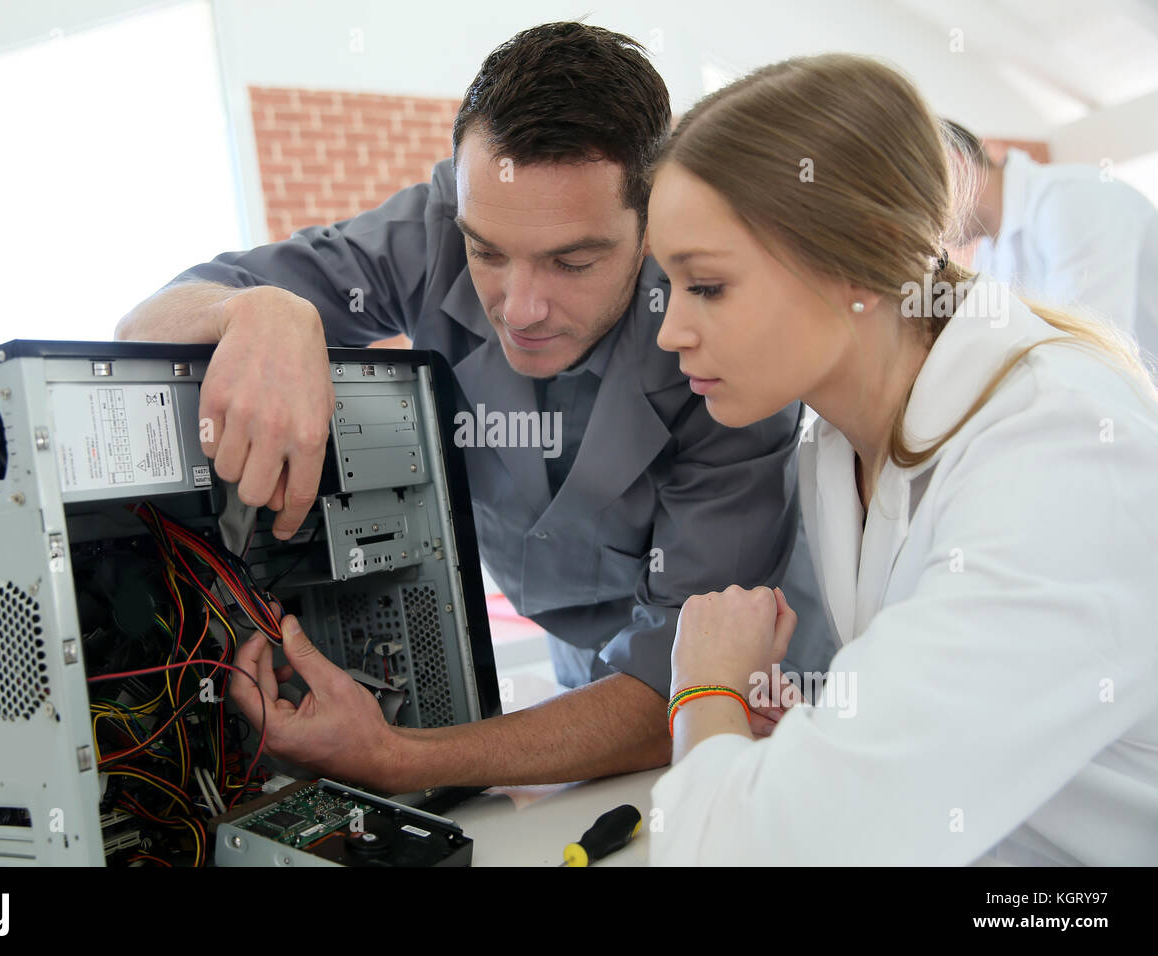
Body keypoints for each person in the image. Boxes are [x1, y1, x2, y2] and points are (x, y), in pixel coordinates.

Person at [115, 22, 833, 793]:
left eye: (574, 261)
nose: (519, 307)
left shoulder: (726, 351)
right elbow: (145, 323)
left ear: (656, 226)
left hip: (754, 704)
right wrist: (259, 311)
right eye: (487, 251)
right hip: (582, 685)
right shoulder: (429, 235)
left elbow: (675, 681)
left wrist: (395, 758)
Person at [647, 54, 1158, 865]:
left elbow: (744, 854)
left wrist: (703, 689)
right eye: (664, 285)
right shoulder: (833, 448)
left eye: (706, 286)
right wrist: (835, 730)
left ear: (861, 262)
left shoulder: (1058, 451)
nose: (671, 330)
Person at [944, 118, 1158, 364]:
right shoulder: (988, 255)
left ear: (956, 165)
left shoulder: (1069, 198)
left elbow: (1086, 350)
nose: (929, 229)